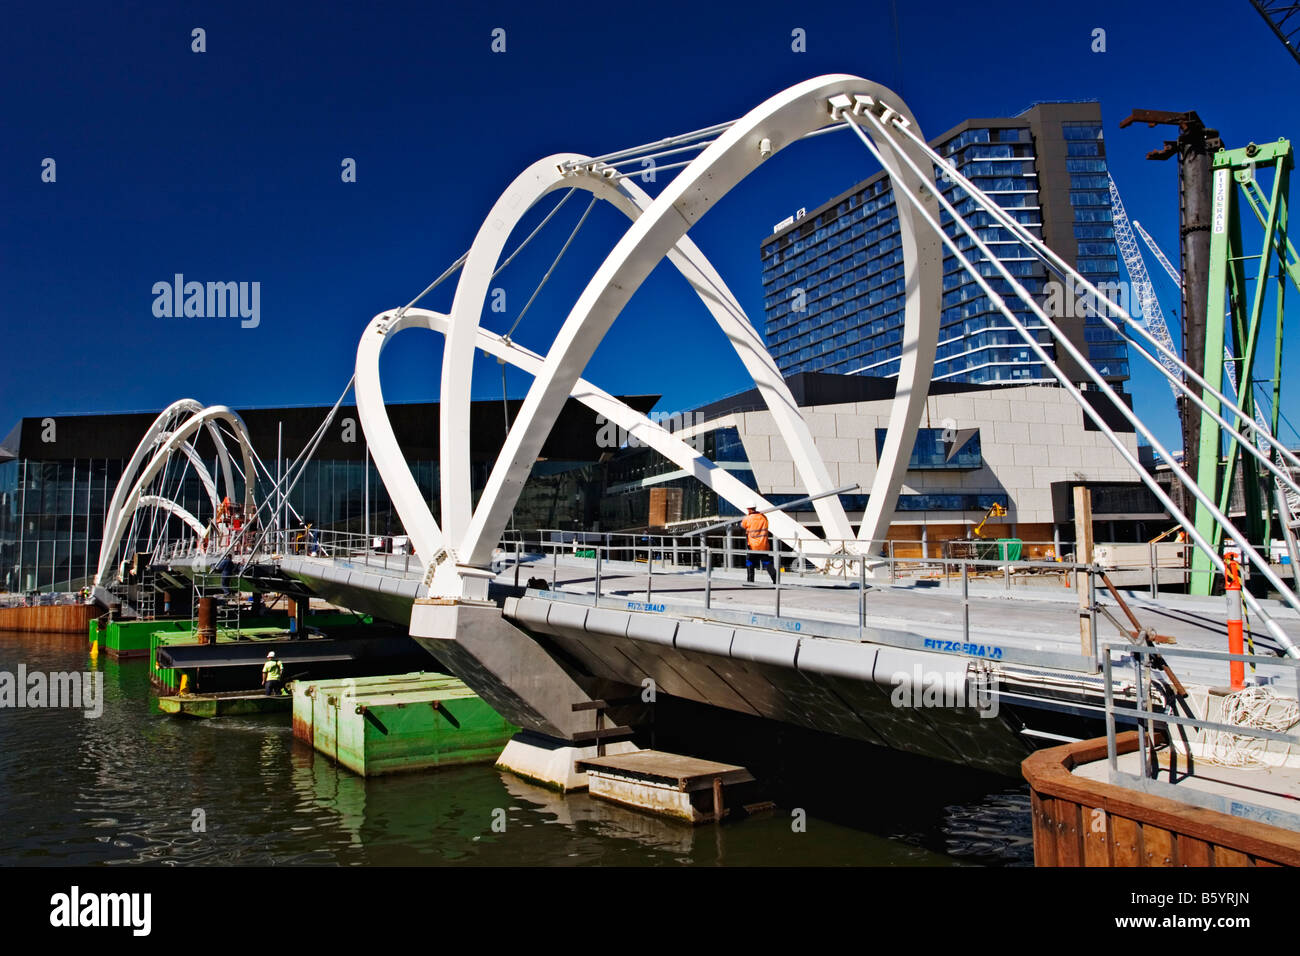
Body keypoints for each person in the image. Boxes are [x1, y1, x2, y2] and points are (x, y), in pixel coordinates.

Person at [740, 506, 776, 584]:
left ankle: (750, 581)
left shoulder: (748, 518)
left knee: (749, 562)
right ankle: (776, 580)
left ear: (749, 509)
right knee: (767, 563)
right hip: (763, 545)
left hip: (753, 546)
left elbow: (742, 525)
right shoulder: (763, 517)